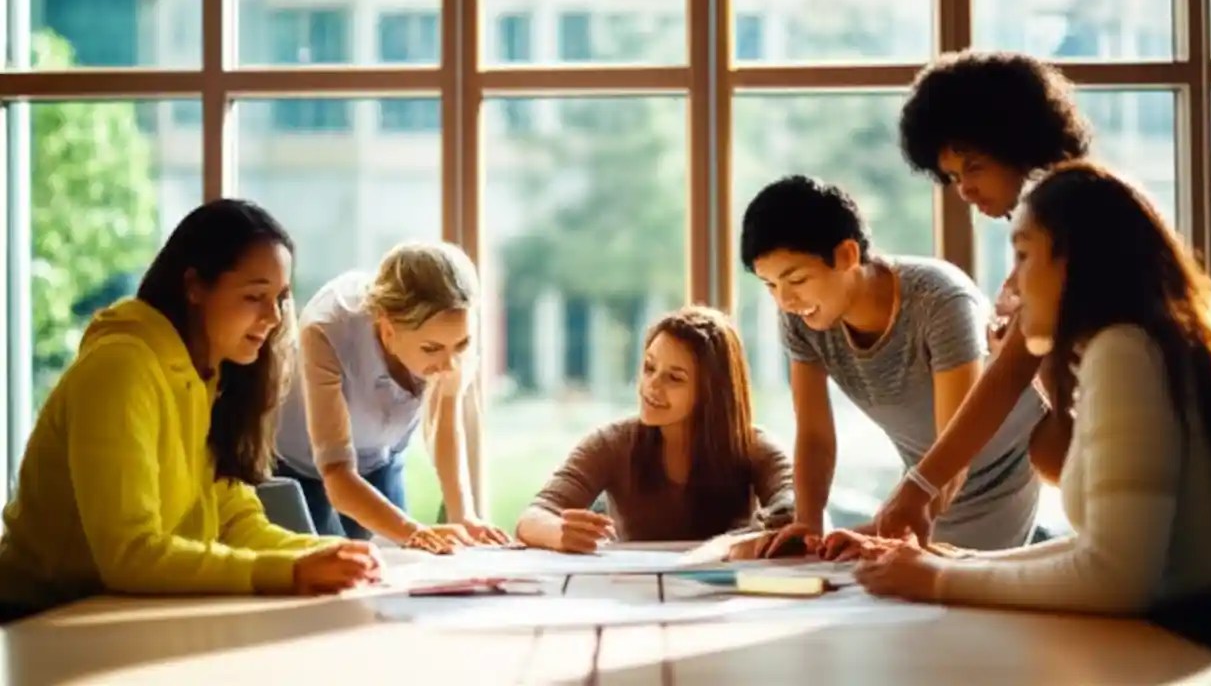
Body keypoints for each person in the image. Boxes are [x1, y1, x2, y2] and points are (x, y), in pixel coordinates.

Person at [854, 161, 1211, 676]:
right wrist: (953, 564)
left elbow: (1115, 576)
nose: (1011, 281)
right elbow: (1101, 547)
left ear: (1076, 261)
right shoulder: (1142, 341)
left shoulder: (1124, 351)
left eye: (1024, 254)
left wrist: (937, 580)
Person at [0, 200, 381, 622]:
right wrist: (288, 572)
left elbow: (237, 525)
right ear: (194, 286)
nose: (273, 317)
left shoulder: (209, 378)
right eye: (255, 296)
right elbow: (129, 555)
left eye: (281, 299)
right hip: (37, 621)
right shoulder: (121, 370)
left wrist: (335, 554)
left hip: (118, 616)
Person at [740, 175, 1046, 556]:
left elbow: (955, 451)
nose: (784, 300)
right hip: (920, 480)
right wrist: (809, 523)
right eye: (770, 285)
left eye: (797, 279)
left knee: (960, 592)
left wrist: (884, 535)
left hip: (993, 473)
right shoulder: (802, 319)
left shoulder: (939, 300)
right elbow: (815, 435)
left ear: (848, 255)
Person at [871, 49, 1093, 545]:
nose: (964, 190)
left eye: (974, 167)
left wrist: (920, 486)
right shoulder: (1066, 210)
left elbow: (1010, 374)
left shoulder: (1069, 219)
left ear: (1021, 145)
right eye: (951, 177)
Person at [274, 242, 507, 552]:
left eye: (462, 345)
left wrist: (464, 516)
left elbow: (444, 424)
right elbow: (338, 476)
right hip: (300, 463)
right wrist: (414, 531)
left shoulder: (451, 334)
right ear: (387, 332)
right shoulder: (327, 329)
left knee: (399, 564)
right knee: (332, 565)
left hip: (381, 455)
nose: (450, 364)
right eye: (431, 349)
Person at [515, 306, 795, 553]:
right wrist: (557, 532)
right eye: (649, 368)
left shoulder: (754, 446)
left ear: (713, 392)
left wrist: (765, 529)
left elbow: (798, 508)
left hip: (728, 599)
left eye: (674, 378)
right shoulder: (612, 443)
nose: (652, 386)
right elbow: (532, 518)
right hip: (633, 599)